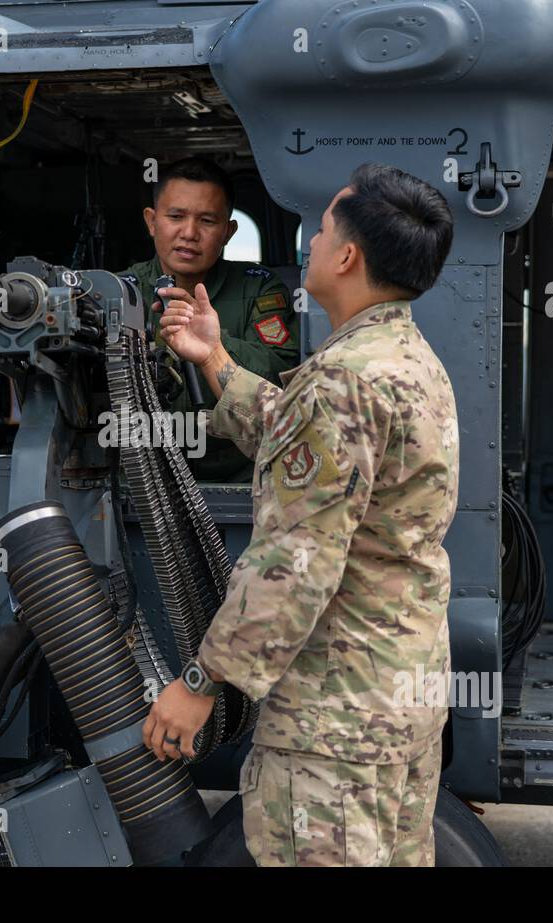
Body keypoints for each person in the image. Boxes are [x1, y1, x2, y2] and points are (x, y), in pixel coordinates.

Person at [142, 163, 459, 867]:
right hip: (398, 700)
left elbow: (296, 564)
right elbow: (307, 442)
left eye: (320, 231)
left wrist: (201, 682)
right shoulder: (405, 358)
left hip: (333, 721)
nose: (311, 244)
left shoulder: (343, 380)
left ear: (347, 256)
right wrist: (216, 357)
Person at [118, 157, 300, 482]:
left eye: (207, 221)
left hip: (242, 481)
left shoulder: (258, 288)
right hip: (146, 484)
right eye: (175, 216)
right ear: (151, 221)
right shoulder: (120, 293)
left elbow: (282, 375)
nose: (189, 233)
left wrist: (213, 347)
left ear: (228, 231)